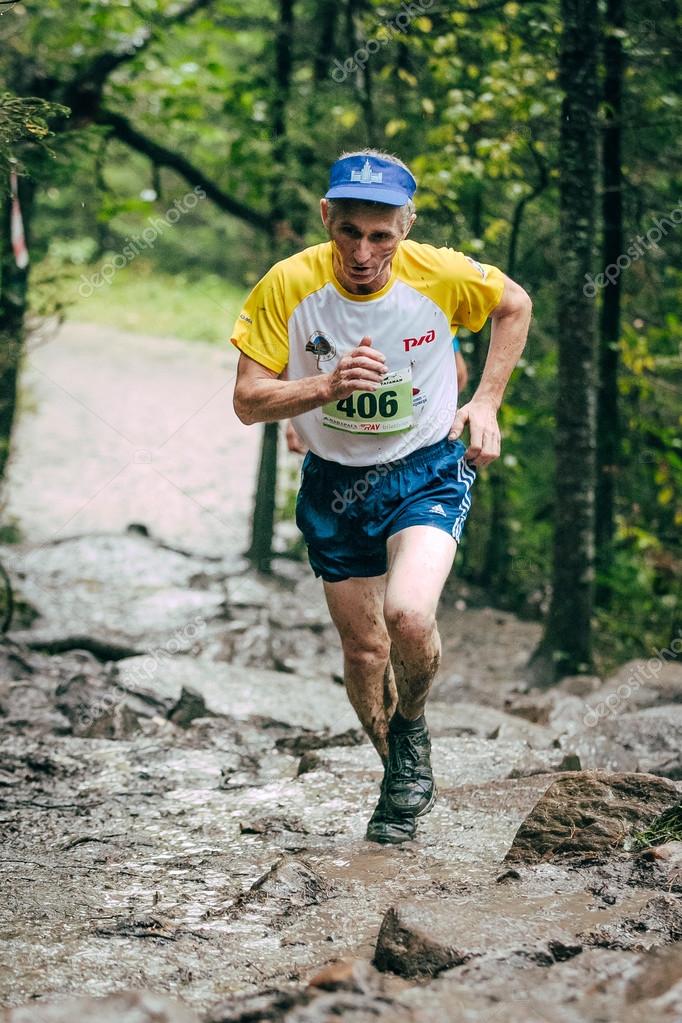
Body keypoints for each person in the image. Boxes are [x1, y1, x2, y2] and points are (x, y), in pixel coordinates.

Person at [231, 149, 532, 844]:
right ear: (326, 218)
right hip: (335, 485)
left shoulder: (441, 274)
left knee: (407, 614)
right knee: (365, 651)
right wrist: (323, 388)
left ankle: (413, 728)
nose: (363, 252)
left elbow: (514, 305)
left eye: (381, 236)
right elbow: (248, 402)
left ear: (406, 227)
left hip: (425, 467)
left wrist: (485, 402)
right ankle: (398, 771)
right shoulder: (286, 285)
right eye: (348, 233)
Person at [285, 335, 468, 454]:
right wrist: (300, 416)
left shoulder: (426, 299)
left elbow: (459, 373)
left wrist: (437, 409)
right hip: (340, 454)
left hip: (416, 454)